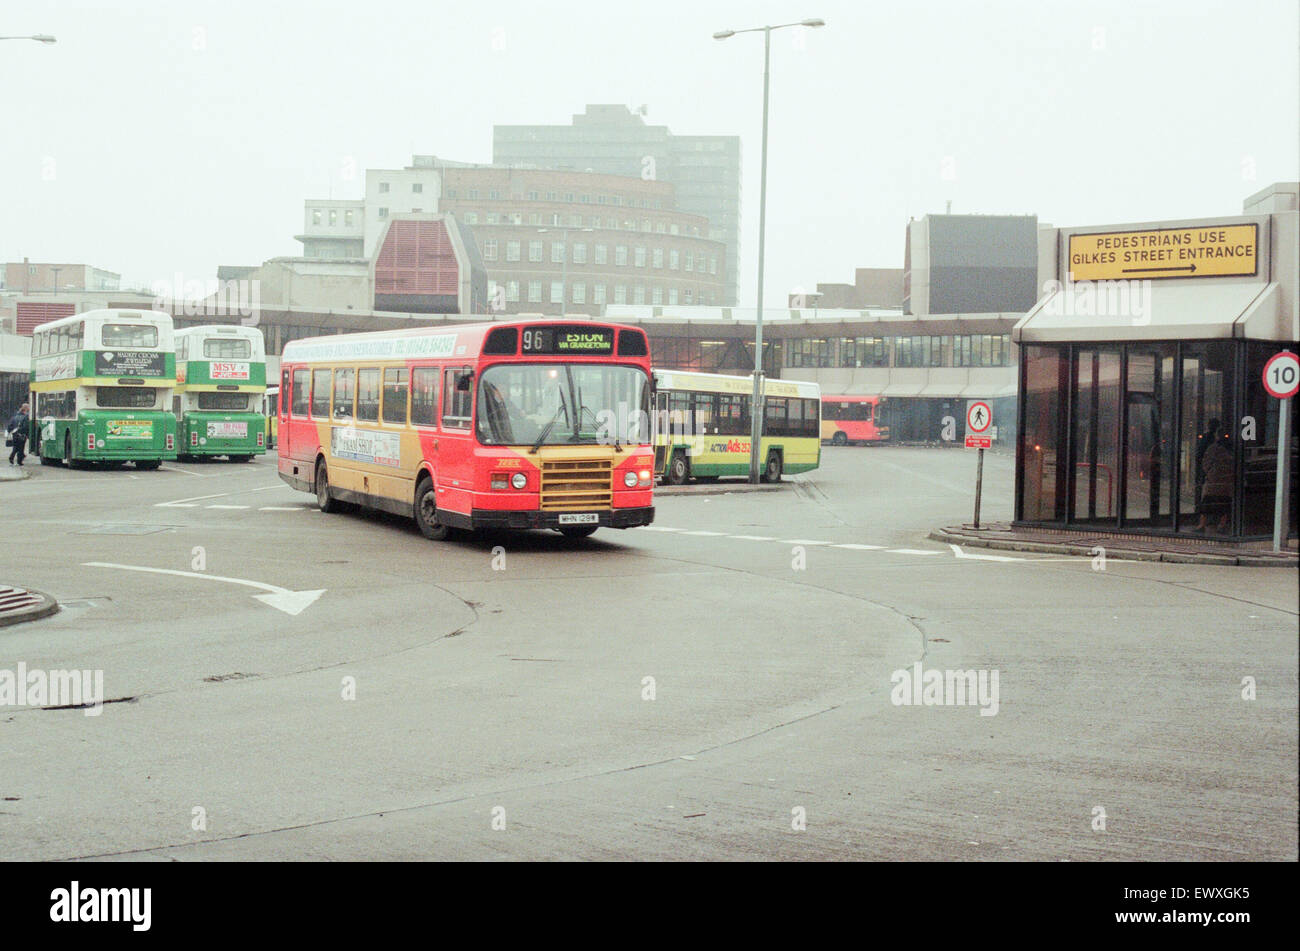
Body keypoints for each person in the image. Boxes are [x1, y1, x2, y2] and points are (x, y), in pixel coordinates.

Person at [1194, 423, 1233, 534]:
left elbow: (1205, 462)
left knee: (1207, 503)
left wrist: (1209, 474)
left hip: (1214, 480)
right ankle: (1221, 525)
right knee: (1224, 503)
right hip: (1225, 481)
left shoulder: (1213, 448)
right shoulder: (1230, 448)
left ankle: (1202, 525)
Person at [6, 402, 30, 466]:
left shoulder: (15, 417)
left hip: (14, 435)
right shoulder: (25, 417)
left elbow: (9, 426)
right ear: (26, 409)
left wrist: (11, 432)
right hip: (22, 435)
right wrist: (27, 434)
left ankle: (11, 457)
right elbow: (25, 427)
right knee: (21, 448)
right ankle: (19, 461)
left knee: (15, 447)